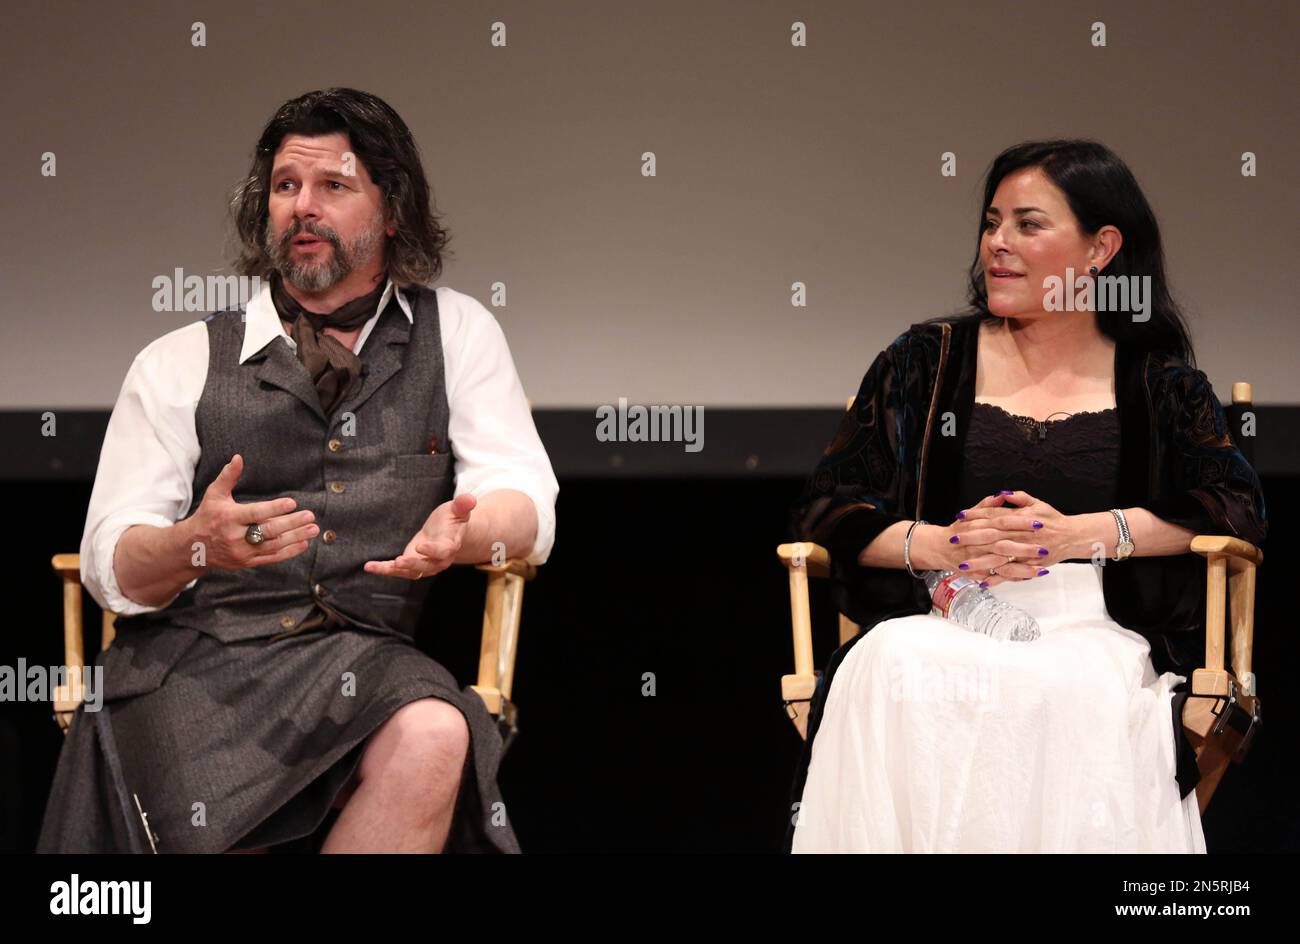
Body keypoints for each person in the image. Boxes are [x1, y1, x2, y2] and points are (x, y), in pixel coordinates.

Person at [38, 88, 558, 854]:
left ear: (391, 210)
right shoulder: (180, 361)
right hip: (195, 669)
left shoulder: (459, 334)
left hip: (364, 662)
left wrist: (468, 534)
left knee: (436, 731)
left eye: (333, 186)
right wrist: (196, 544)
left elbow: (529, 509)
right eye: (287, 187)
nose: (302, 207)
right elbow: (111, 566)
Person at [785, 139, 1267, 853]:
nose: (997, 245)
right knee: (890, 663)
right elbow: (829, 509)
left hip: (1090, 628)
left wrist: (1083, 535)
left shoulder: (1157, 383)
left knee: (1076, 689)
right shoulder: (925, 361)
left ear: (1101, 248)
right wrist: (940, 544)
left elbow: (1234, 509)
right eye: (991, 223)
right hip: (945, 615)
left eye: (1027, 224)